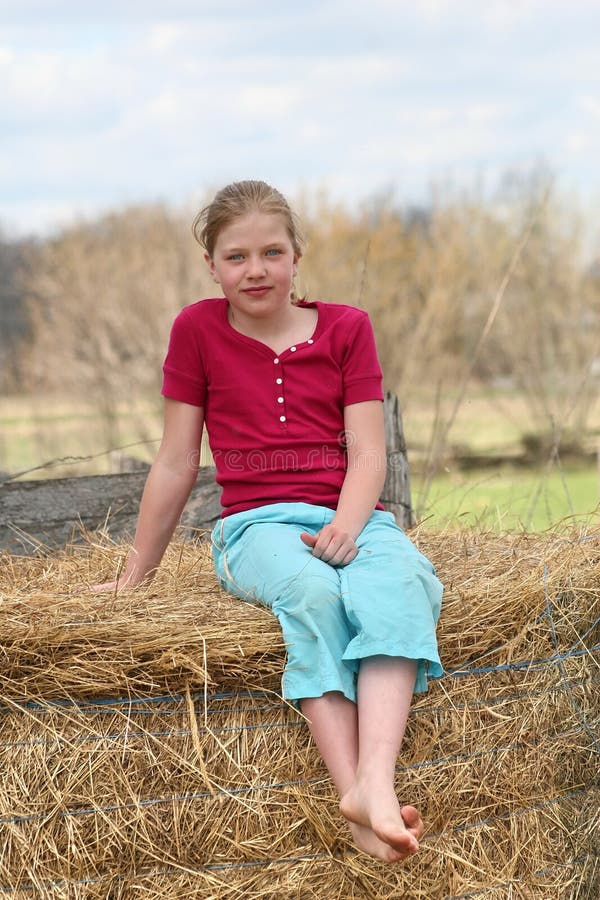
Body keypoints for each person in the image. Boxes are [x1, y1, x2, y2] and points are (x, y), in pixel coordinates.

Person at [93, 180, 443, 864]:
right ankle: (359, 808)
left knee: (400, 582)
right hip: (257, 527)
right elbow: (174, 462)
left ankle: (375, 778)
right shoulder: (196, 331)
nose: (255, 270)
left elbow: (370, 451)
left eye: (272, 252)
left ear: (297, 256)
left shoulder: (348, 327)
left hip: (353, 513)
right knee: (313, 594)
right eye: (237, 256)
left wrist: (348, 522)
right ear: (212, 265)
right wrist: (136, 574)